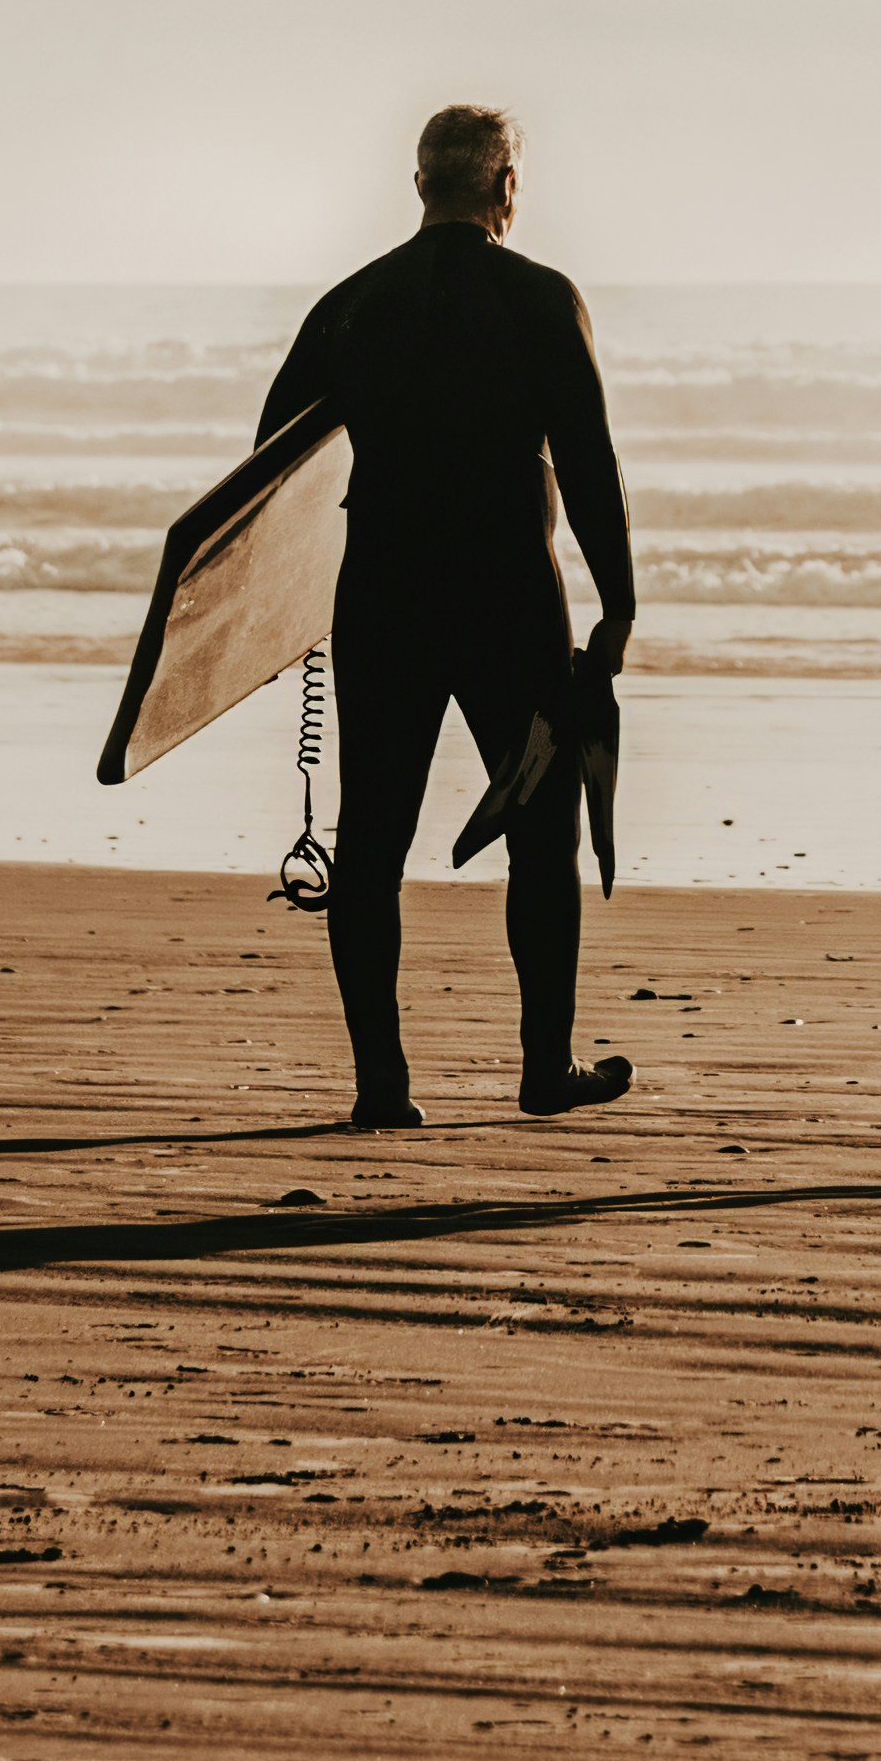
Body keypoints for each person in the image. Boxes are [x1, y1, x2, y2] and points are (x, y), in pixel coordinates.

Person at [259, 101, 635, 1134]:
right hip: (507, 593)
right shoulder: (541, 297)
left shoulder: (351, 305)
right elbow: (588, 460)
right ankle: (544, 1067)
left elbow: (271, 469)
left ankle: (380, 1085)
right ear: (506, 186)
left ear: (419, 184)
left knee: (371, 840)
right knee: (542, 832)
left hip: (383, 592)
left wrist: (276, 615)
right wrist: (619, 603)